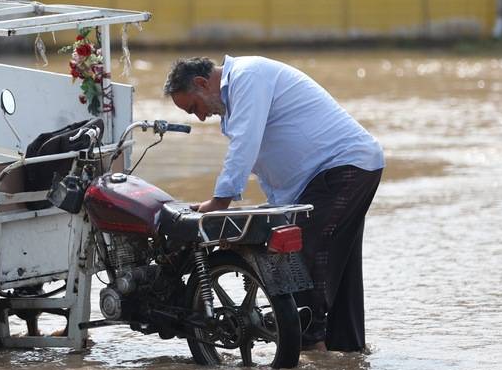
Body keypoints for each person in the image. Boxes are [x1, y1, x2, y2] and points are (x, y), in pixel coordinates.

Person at [164, 56, 384, 353]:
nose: (200, 117)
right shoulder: (239, 94)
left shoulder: (246, 78)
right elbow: (273, 170)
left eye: (194, 107)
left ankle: (309, 348)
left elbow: (245, 145)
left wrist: (219, 202)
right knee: (339, 266)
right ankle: (346, 352)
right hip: (333, 173)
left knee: (301, 260)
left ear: (203, 83)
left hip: (342, 167)